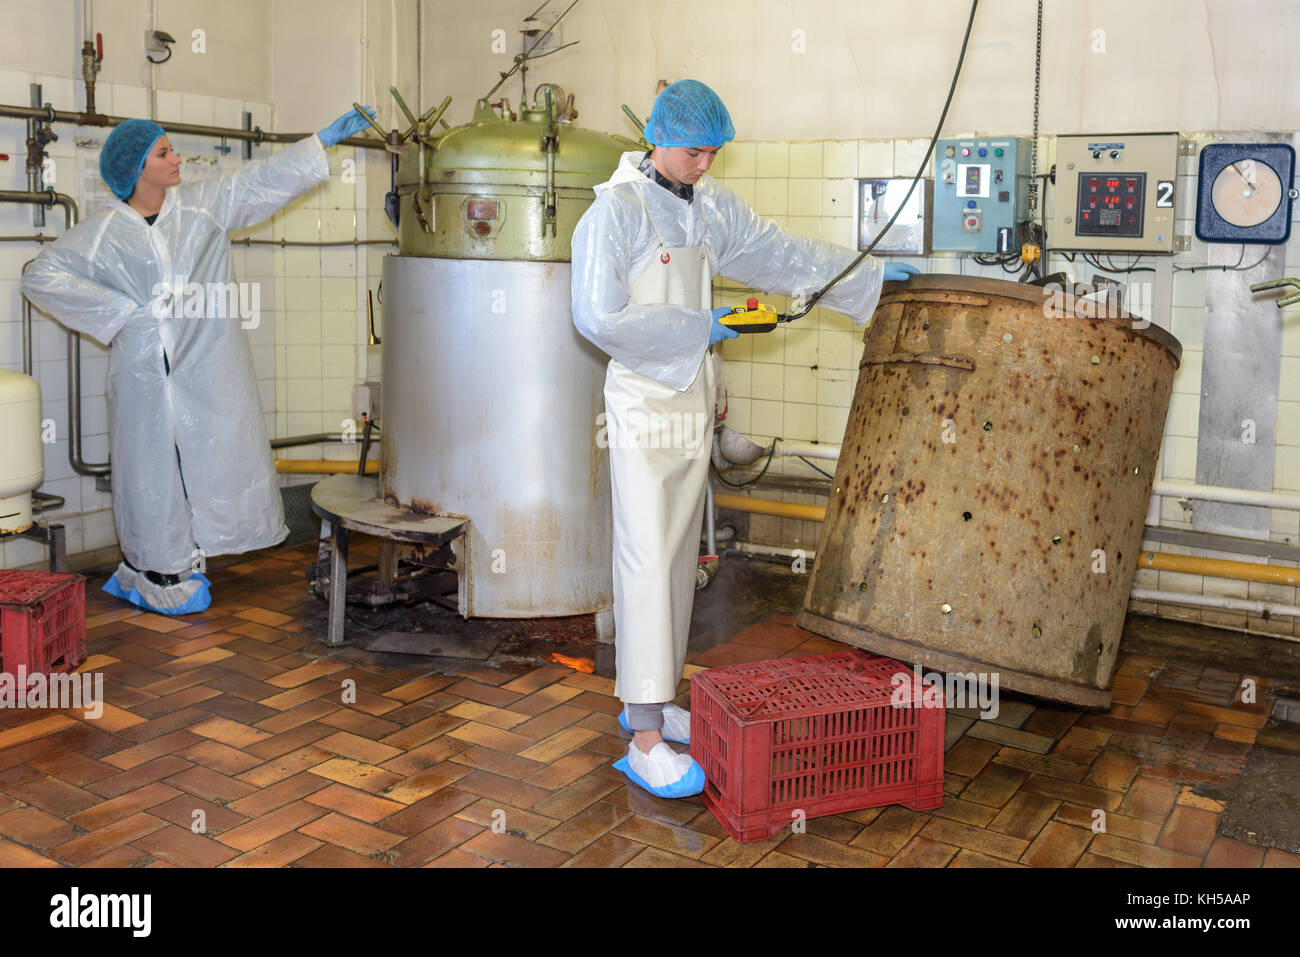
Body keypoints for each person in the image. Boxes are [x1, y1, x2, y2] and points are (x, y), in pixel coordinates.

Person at [571, 79, 918, 799]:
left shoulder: (708, 207)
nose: (705, 164)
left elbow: (780, 255)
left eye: (713, 153)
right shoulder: (615, 212)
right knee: (645, 556)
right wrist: (703, 326)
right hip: (643, 407)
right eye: (697, 151)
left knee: (675, 561)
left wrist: (867, 278)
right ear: (659, 136)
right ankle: (640, 737)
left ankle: (657, 700)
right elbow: (597, 318)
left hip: (690, 399)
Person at [21, 107, 376, 615]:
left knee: (214, 457)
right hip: (143, 376)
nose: (176, 159)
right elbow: (40, 275)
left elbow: (259, 183)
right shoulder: (103, 233)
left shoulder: (201, 209)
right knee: (149, 472)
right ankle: (154, 570)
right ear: (136, 170)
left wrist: (320, 141)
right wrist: (124, 314)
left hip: (206, 370)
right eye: (163, 153)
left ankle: (182, 564)